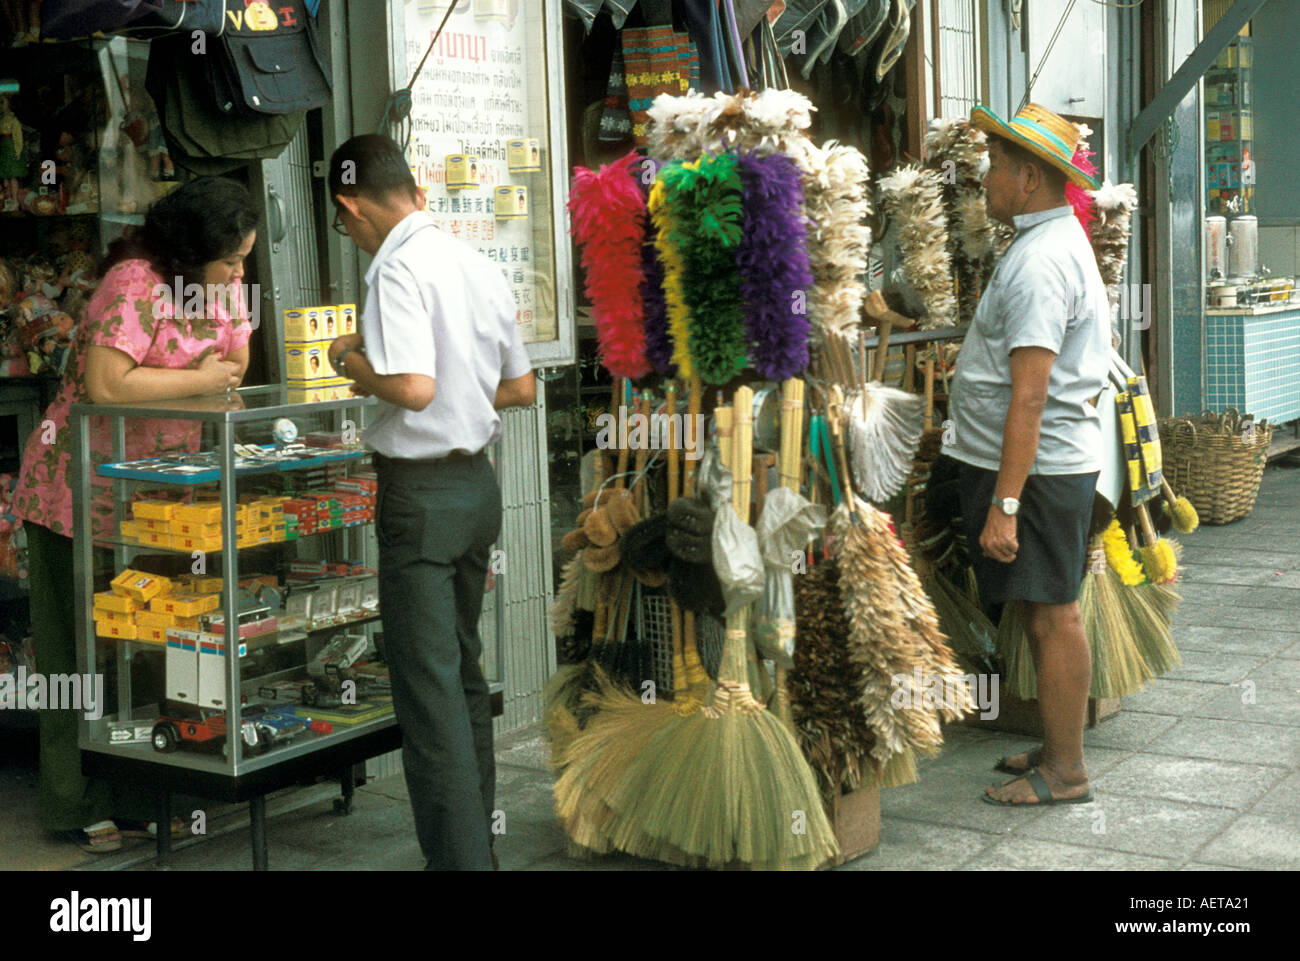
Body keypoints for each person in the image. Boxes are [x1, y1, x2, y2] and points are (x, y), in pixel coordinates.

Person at [10, 176, 256, 853]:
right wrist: (202, 380)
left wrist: (203, 376)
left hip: (158, 498)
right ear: (190, 248)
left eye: (245, 260)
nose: (240, 273)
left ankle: (146, 789)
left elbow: (238, 358)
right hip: (74, 492)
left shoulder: (224, 287)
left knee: (149, 641)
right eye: (230, 258)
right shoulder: (133, 284)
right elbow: (108, 384)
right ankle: (73, 799)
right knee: (77, 652)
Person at [326, 134, 535, 871]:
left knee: (429, 692)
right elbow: (519, 388)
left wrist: (354, 364)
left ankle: (459, 864)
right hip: (477, 488)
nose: (348, 236)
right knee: (464, 675)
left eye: (343, 224)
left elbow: (413, 386)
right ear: (413, 190)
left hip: (418, 496)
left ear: (351, 207)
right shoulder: (475, 260)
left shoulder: (395, 269)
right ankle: (478, 850)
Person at [944, 103, 1109, 807]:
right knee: (1045, 608)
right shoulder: (1043, 240)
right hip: (1042, 468)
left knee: (1052, 613)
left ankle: (1067, 770)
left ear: (1027, 177)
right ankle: (1055, 744)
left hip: (1039, 475)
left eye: (994, 165)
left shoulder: (1042, 260)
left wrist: (1006, 505)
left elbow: (1031, 397)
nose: (984, 177)